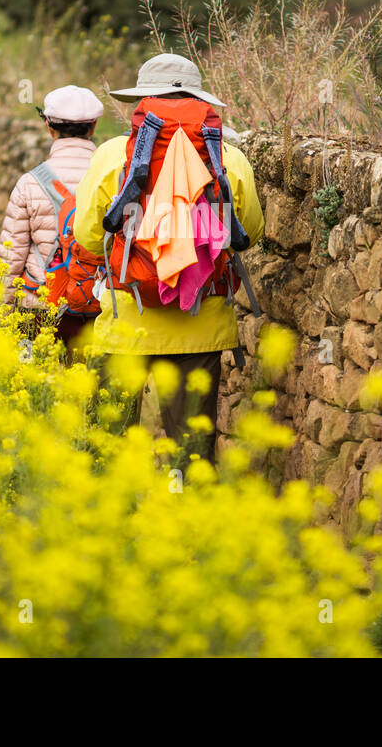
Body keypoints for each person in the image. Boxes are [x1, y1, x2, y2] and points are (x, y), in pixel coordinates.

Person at [73, 54, 264, 465]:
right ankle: (189, 520)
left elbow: (89, 237)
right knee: (191, 452)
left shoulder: (111, 156)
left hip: (128, 323)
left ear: (143, 99)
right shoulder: (228, 158)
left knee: (107, 446)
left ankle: (109, 521)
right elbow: (249, 232)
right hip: (202, 325)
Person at [0, 84, 103, 351]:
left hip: (38, 308)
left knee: (35, 387)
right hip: (97, 308)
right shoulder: (113, 178)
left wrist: (2, 314)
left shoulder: (30, 183)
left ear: (49, 127)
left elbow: (12, 258)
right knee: (89, 389)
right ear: (93, 127)